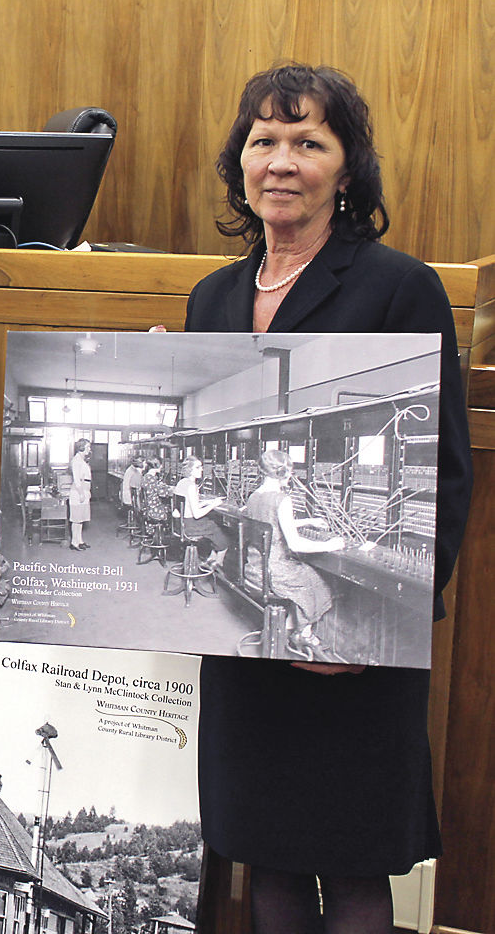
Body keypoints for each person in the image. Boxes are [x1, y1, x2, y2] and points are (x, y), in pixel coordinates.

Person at [185, 62, 472, 932]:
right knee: (265, 855)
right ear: (240, 161)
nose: (281, 160)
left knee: (351, 868)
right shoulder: (213, 297)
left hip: (354, 653)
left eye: (308, 142)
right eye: (264, 140)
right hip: (247, 655)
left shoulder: (399, 287)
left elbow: (446, 468)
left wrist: (380, 632)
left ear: (347, 172)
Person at [246, 449, 346, 652]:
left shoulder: (254, 497)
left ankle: (287, 628)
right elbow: (295, 544)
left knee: (305, 577)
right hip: (275, 573)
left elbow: (270, 524)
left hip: (254, 569)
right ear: (285, 473)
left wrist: (307, 521)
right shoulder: (282, 499)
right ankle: (303, 633)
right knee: (318, 583)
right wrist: (330, 545)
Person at [173, 456, 231, 561]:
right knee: (223, 537)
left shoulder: (181, 482)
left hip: (180, 524)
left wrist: (206, 503)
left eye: (201, 467)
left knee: (213, 526)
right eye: (198, 467)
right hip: (190, 526)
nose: (202, 469)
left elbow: (187, 506)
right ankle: (217, 563)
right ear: (189, 470)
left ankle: (211, 560)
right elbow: (197, 514)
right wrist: (214, 504)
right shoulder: (192, 486)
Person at [67, 439, 92, 550]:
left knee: (81, 518)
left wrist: (87, 492)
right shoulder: (76, 460)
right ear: (81, 447)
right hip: (78, 492)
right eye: (88, 447)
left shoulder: (82, 460)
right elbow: (77, 480)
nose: (89, 449)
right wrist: (81, 493)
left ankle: (80, 541)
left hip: (84, 491)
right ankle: (74, 543)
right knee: (76, 519)